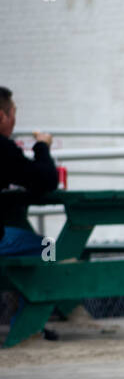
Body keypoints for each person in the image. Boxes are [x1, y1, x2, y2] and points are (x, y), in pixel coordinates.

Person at [0, 87, 59, 258]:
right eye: (13, 114)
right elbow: (46, 180)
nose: (14, 121)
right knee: (50, 248)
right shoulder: (3, 148)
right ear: (1, 117)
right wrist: (42, 146)